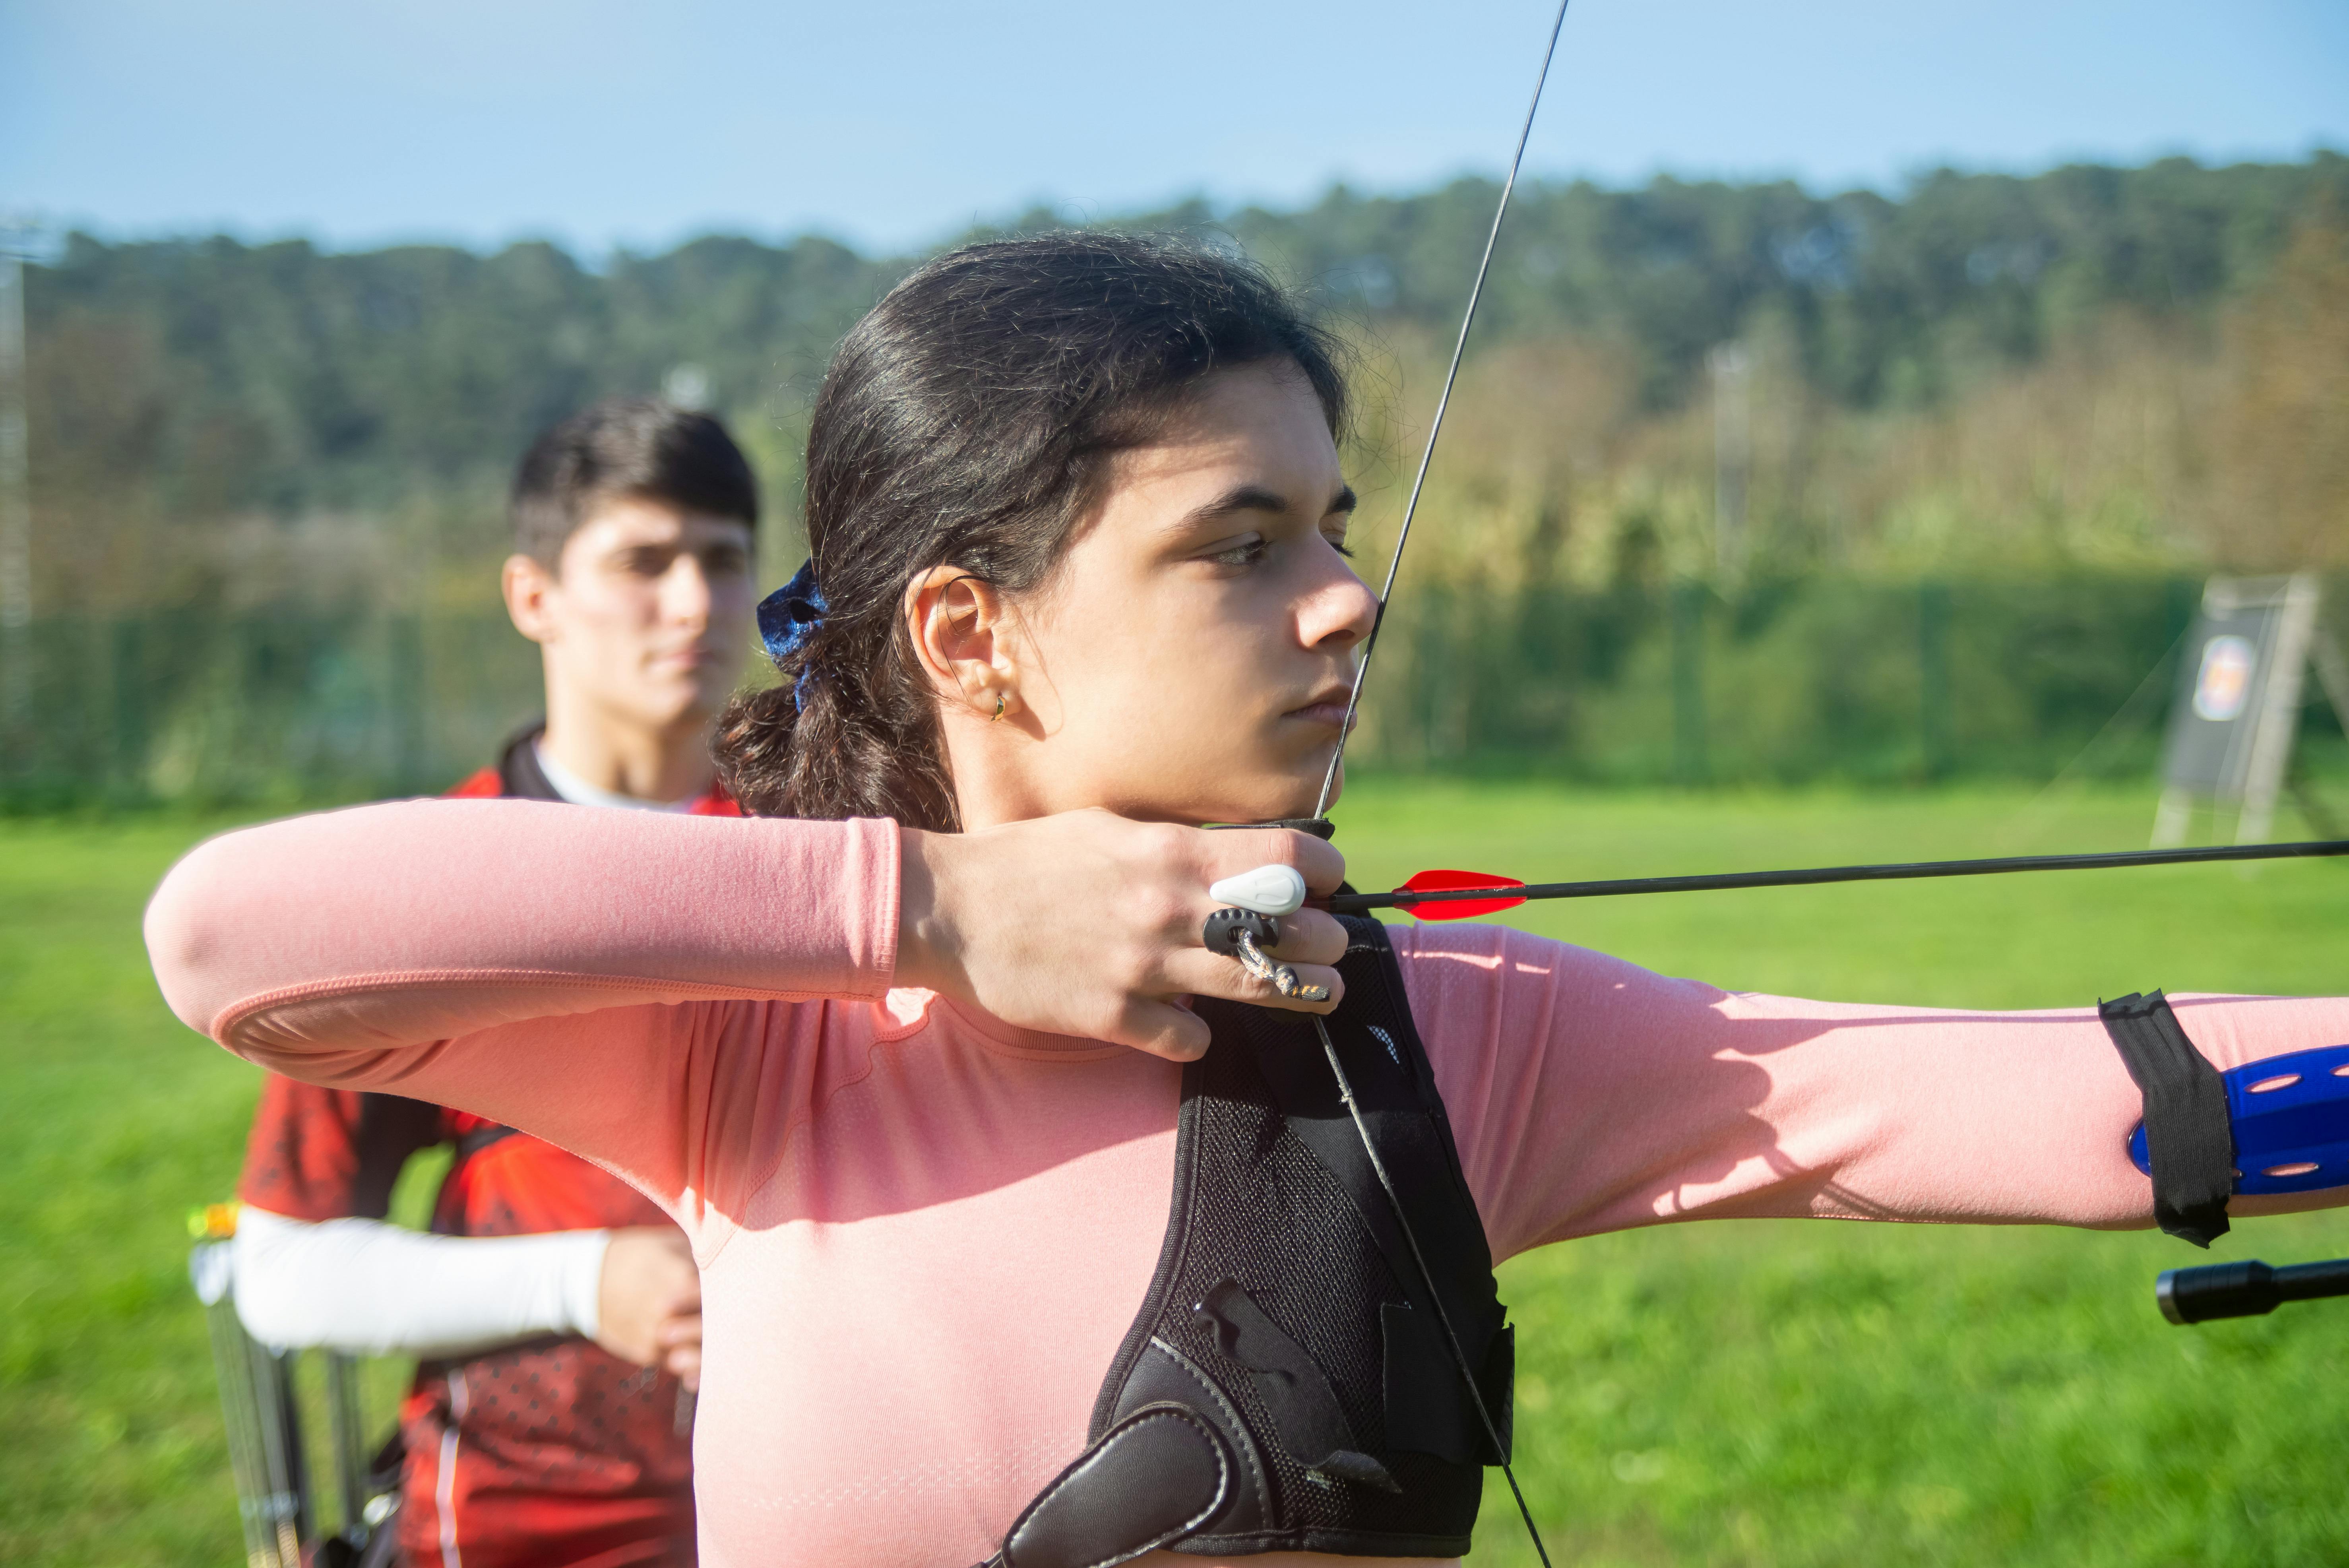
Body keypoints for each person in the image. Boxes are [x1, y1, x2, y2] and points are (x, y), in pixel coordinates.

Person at [150, 236, 2349, 1568]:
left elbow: (2096, 1101)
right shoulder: (769, 1026)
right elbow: (229, 936)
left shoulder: (1451, 1032)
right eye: (1240, 540)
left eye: (1334, 520)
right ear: (965, 628)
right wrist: (929, 915)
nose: (1348, 593)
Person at [226, 397, 760, 1568]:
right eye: (643, 560)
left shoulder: (827, 852)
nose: (694, 603)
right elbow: (285, 1273)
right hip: (523, 1526)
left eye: (723, 561)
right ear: (533, 597)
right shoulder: (427, 884)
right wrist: (586, 1280)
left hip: (825, 1504)